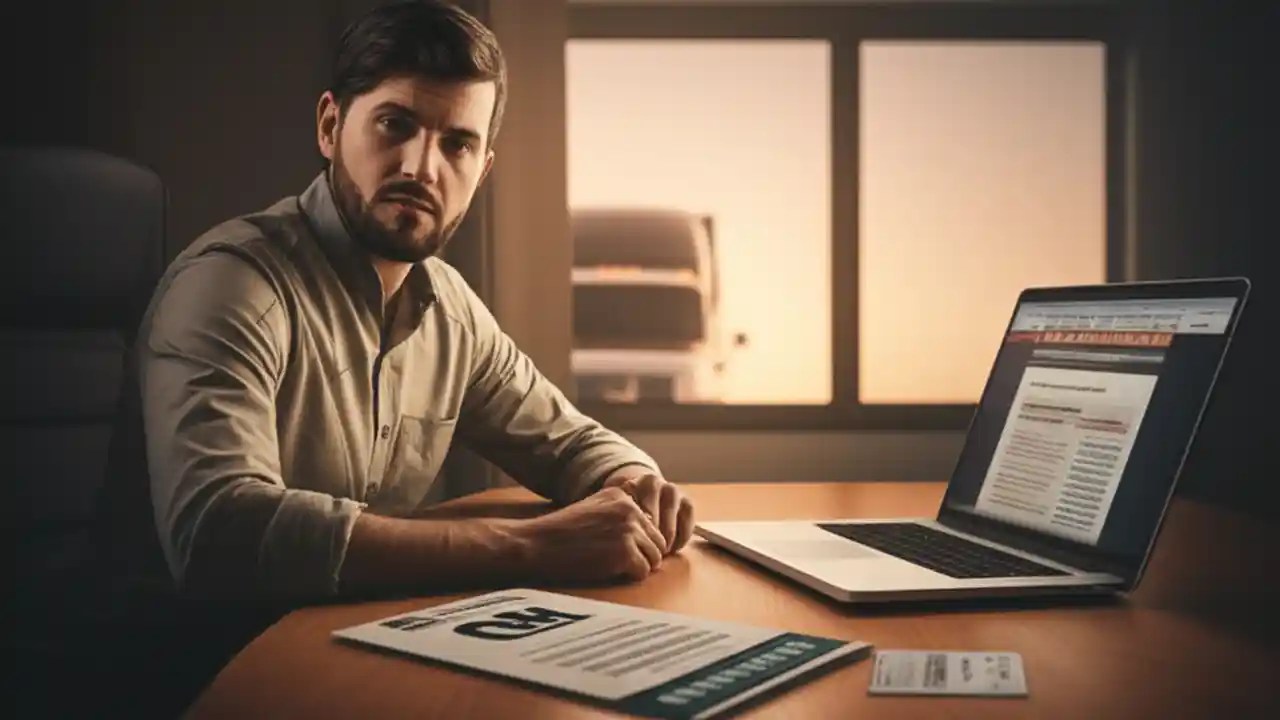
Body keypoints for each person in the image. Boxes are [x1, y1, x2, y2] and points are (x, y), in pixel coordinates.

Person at [102, 0, 695, 623]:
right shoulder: (231, 284)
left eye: (457, 145)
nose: (421, 168)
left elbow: (574, 443)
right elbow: (217, 533)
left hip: (350, 640)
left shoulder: (452, 312)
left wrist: (635, 488)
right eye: (395, 125)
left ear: (482, 169)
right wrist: (532, 546)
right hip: (197, 670)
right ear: (330, 127)